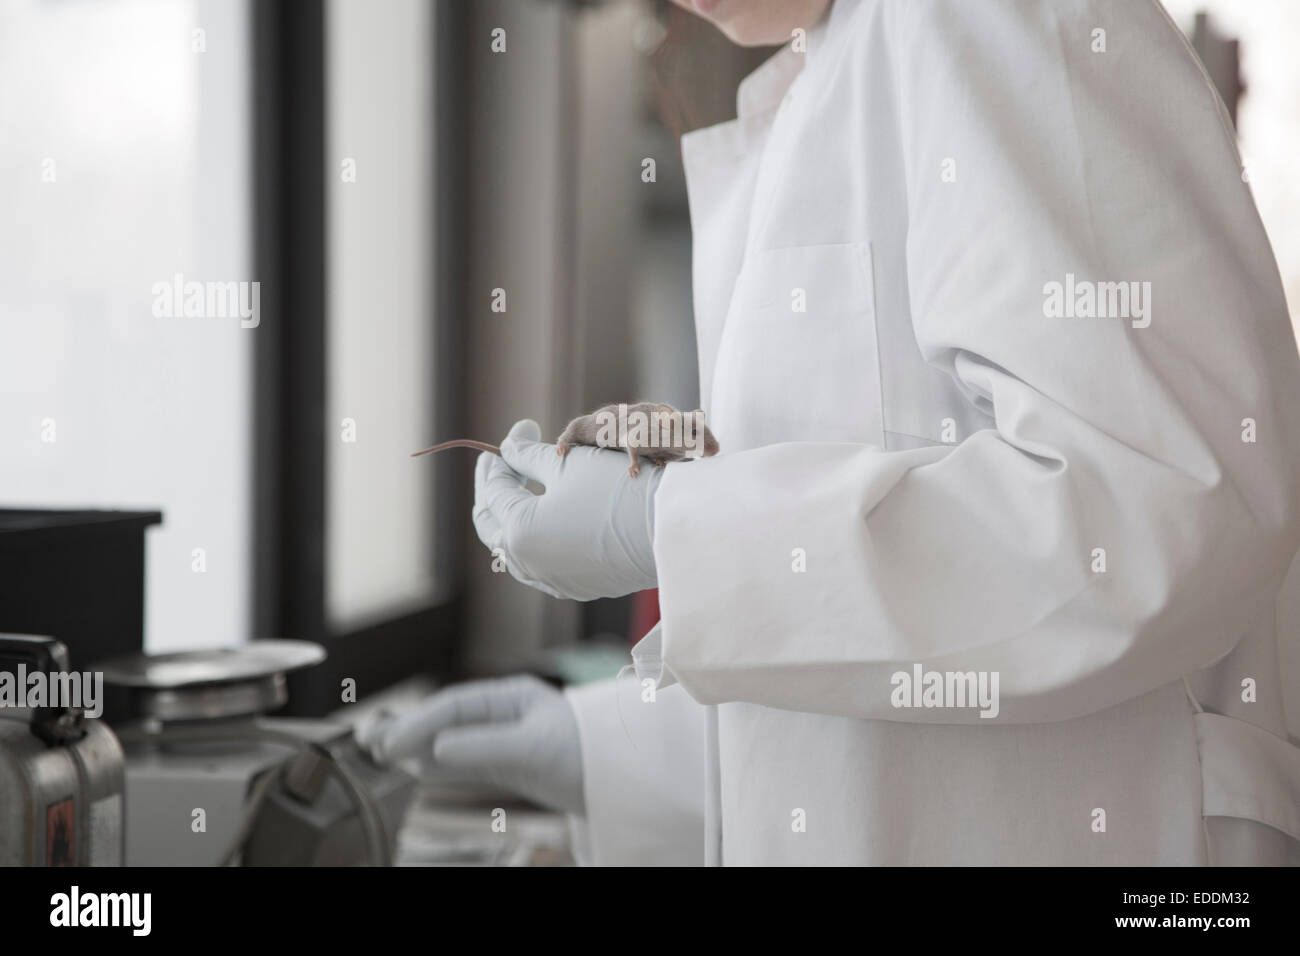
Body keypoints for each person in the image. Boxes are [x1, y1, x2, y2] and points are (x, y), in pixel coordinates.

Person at [364, 0, 1300, 865]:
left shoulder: (1000, 14)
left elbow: (1161, 516)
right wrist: (606, 749)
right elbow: (887, 685)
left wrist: (677, 532)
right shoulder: (837, 78)